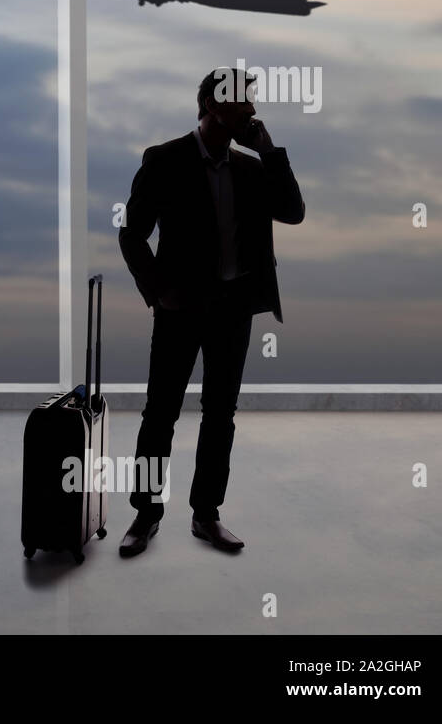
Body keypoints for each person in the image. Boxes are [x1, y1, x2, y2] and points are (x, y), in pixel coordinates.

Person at [117, 68, 305, 558]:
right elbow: (131, 234)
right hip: (179, 310)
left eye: (252, 101)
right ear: (209, 103)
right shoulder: (164, 160)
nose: (250, 109)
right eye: (241, 101)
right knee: (160, 412)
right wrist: (158, 291)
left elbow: (294, 211)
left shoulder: (251, 168)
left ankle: (206, 515)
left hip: (233, 309)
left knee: (220, 414)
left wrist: (268, 148)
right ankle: (145, 513)